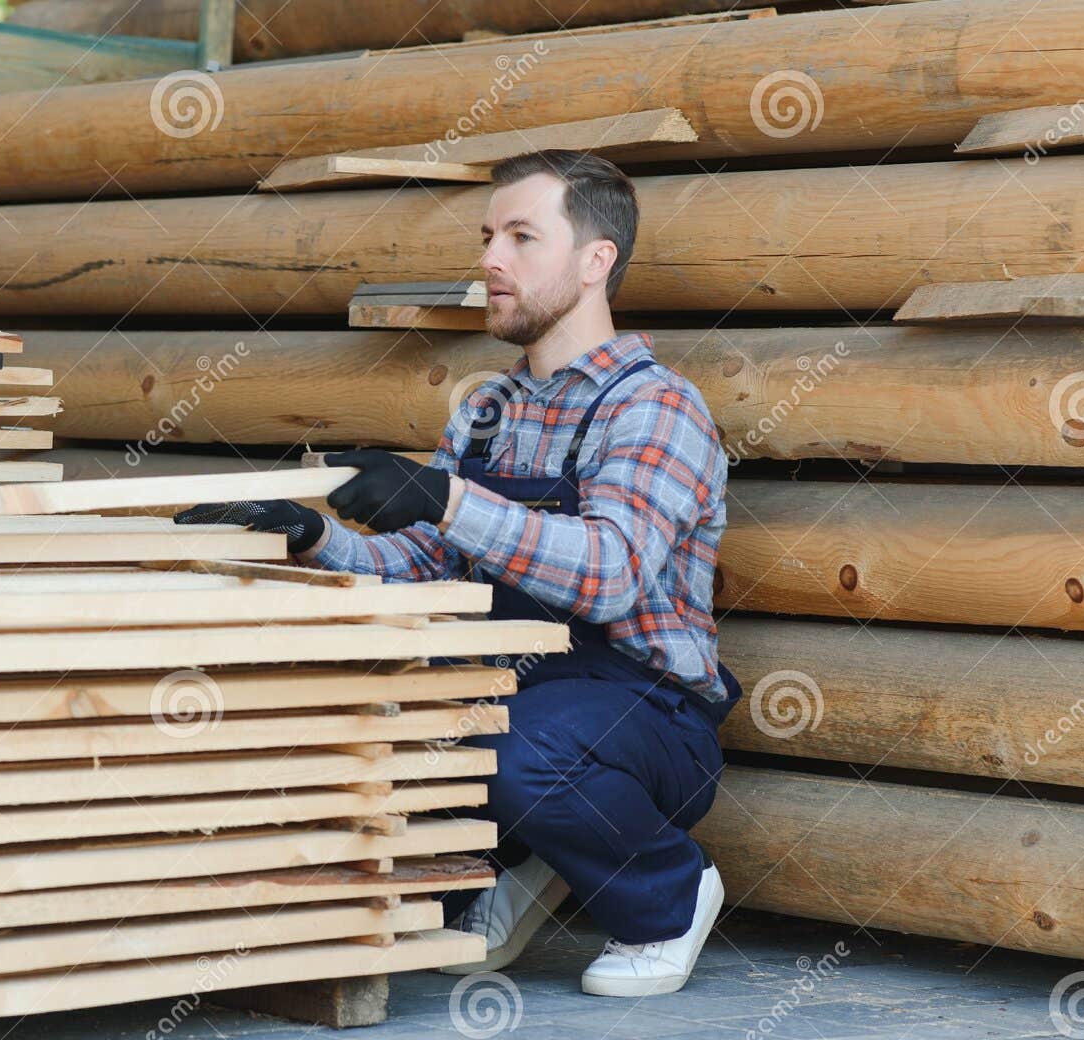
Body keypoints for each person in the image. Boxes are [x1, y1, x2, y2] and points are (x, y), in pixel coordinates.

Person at [174, 149, 742, 997]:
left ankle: (668, 895)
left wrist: (445, 498)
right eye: (487, 236)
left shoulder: (654, 406)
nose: (489, 260)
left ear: (597, 261)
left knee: (512, 746)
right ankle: (528, 863)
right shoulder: (487, 411)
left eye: (521, 236)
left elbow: (613, 573)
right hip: (514, 688)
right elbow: (425, 568)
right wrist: (310, 540)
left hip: (649, 713)